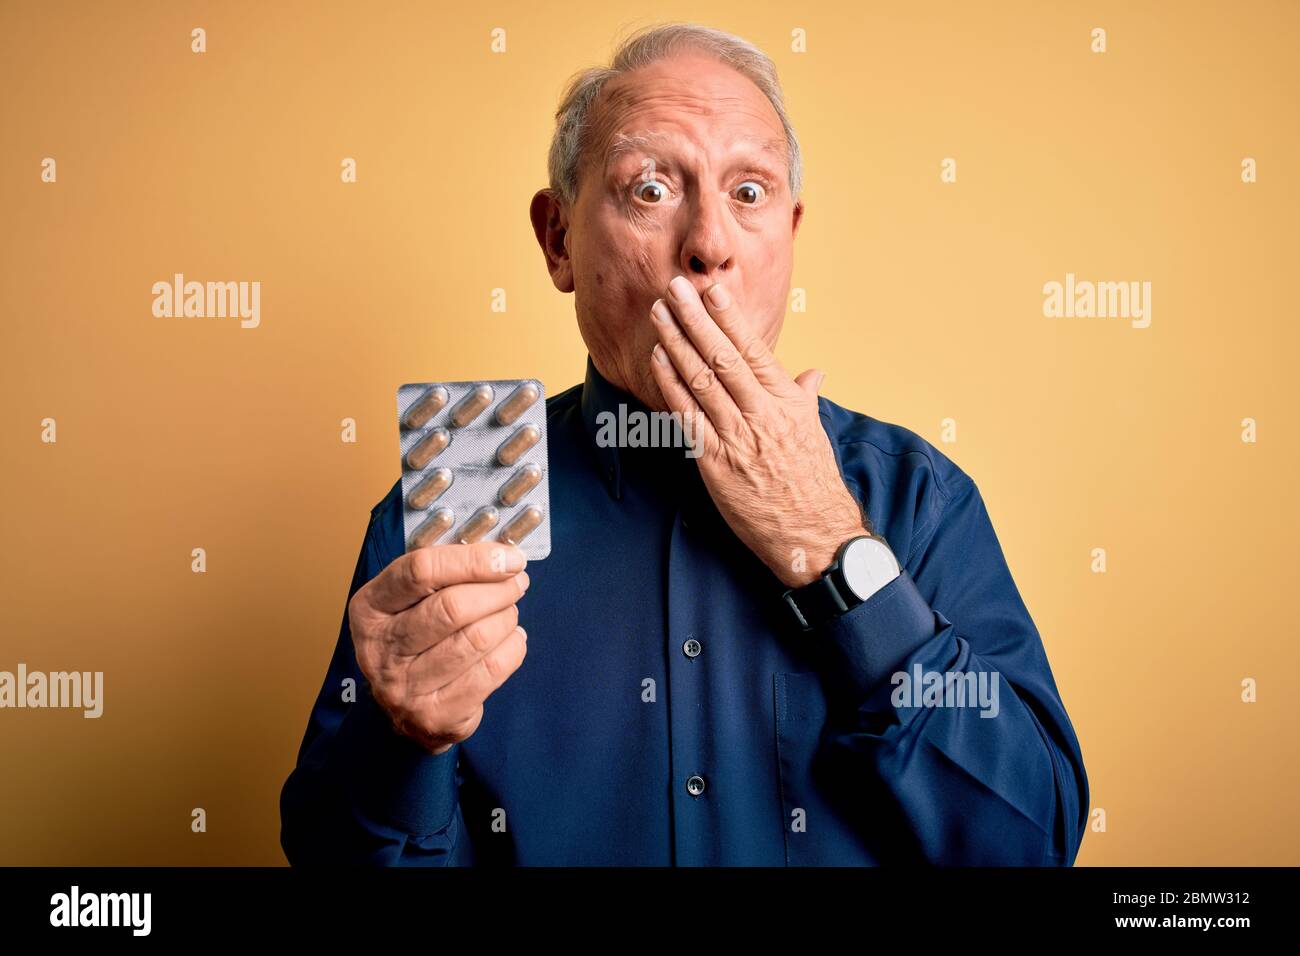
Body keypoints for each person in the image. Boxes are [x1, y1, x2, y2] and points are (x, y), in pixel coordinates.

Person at [280, 22, 1089, 866]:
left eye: (749, 192)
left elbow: (1029, 844)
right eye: (652, 188)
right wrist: (403, 741)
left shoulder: (917, 501)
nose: (709, 245)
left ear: (791, 234)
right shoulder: (451, 509)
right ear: (557, 239)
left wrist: (832, 547)